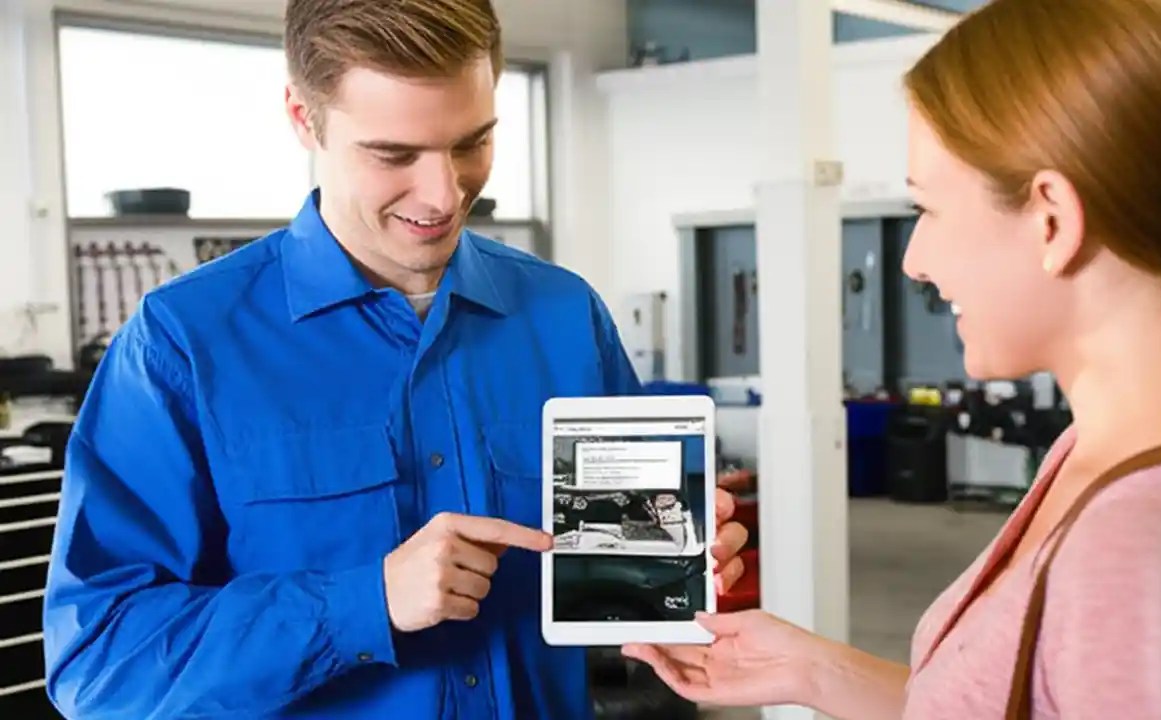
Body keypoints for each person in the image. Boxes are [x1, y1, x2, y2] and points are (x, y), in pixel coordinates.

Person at [41, 1, 748, 718]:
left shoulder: (568, 318)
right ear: (302, 117)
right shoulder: (181, 345)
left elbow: (627, 600)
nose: (445, 194)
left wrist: (674, 579)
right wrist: (363, 603)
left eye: (472, 142)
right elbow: (98, 665)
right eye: (394, 154)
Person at [623, 0, 1161, 717]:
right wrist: (812, 671)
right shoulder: (1098, 453)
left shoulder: (1149, 549)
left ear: (1052, 220)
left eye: (927, 210)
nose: (914, 261)